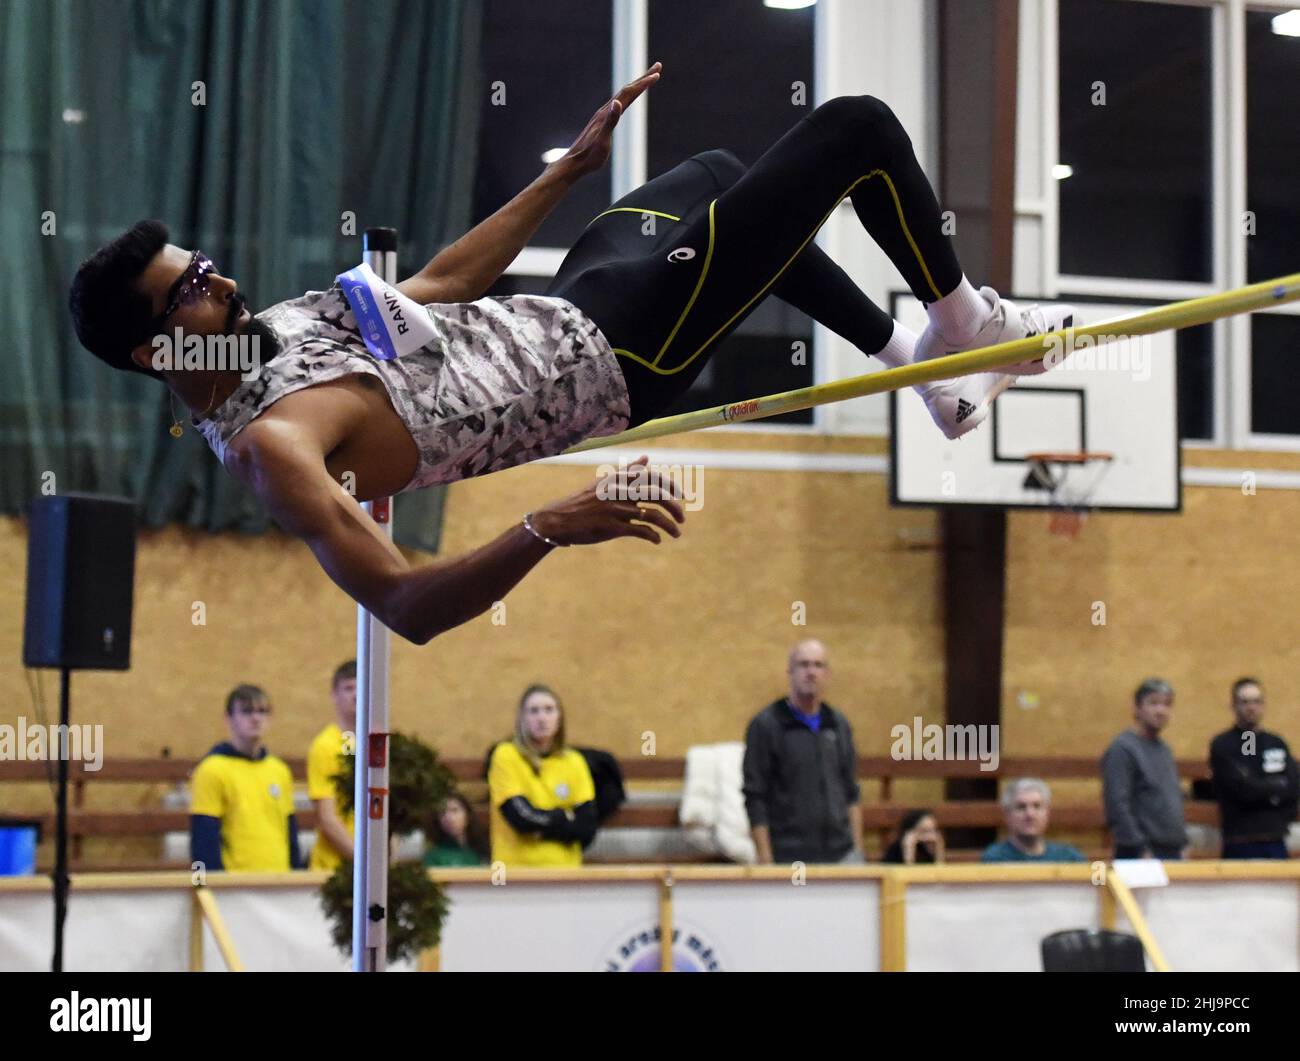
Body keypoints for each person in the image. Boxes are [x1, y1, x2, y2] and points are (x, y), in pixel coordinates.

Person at [68, 63, 1072, 647]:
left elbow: (442, 284)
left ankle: (921, 369)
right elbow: (407, 605)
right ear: (156, 350)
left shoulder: (269, 334)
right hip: (624, 353)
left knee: (720, 174)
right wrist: (546, 523)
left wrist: (570, 172)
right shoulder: (270, 448)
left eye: (204, 263)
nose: (222, 280)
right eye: (192, 288)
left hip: (573, 301)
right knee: (855, 128)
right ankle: (953, 327)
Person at [742, 640, 863, 864]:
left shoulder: (837, 724)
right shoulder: (767, 725)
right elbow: (755, 796)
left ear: (827, 673)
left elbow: (850, 791)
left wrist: (857, 850)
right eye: (804, 665)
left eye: (818, 665)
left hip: (841, 854)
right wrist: (765, 859)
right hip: (789, 856)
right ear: (790, 671)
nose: (811, 672)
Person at [190, 684, 302, 872]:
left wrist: (296, 874)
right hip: (236, 884)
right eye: (246, 711)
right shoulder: (211, 770)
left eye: (262, 711)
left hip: (280, 880)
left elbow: (290, 833)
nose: (256, 718)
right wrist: (214, 885)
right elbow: (204, 840)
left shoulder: (279, 770)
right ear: (228, 719)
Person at [487, 685, 597, 867]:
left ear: (559, 717)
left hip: (566, 871)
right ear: (521, 718)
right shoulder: (505, 755)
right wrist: (562, 818)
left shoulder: (574, 761)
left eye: (549, 710)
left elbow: (587, 828)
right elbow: (521, 819)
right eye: (533, 711)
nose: (541, 718)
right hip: (516, 870)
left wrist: (542, 829)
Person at [1209, 677, 1298, 859]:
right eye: (1245, 702)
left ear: (1263, 705)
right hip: (1240, 840)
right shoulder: (1224, 744)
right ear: (1234, 705)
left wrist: (1263, 788)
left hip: (1274, 838)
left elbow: (1293, 786)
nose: (1251, 707)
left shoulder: (1276, 743)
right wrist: (1276, 787)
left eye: (1256, 701)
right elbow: (1243, 789)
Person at [1100, 678, 1187, 860]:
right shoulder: (1123, 749)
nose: (1160, 711)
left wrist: (1182, 842)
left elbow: (1171, 800)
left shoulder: (1164, 749)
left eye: (1166, 704)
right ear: (1137, 708)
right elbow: (1117, 805)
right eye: (1153, 703)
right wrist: (1138, 848)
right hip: (1141, 852)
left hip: (1172, 850)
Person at [306, 660, 357, 871]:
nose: (356, 694)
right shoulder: (325, 746)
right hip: (333, 867)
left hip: (372, 867)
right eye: (348, 688)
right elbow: (327, 818)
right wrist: (365, 862)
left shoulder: (380, 743)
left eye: (361, 686)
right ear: (334, 695)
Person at [981, 779, 1085, 863]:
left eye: (1037, 806)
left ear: (1047, 813)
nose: (1030, 814)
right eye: (1021, 807)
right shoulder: (995, 859)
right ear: (1007, 815)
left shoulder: (1069, 858)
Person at [423, 793, 488, 868]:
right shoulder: (433, 856)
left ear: (468, 816)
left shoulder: (484, 849)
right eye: (442, 812)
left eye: (454, 810)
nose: (448, 818)